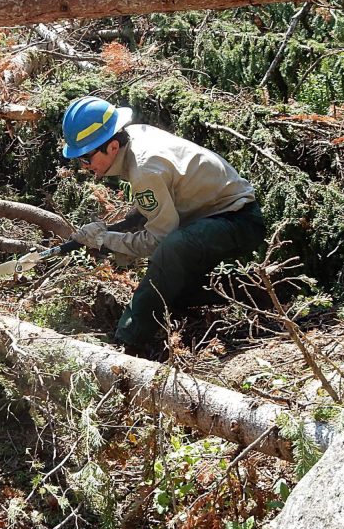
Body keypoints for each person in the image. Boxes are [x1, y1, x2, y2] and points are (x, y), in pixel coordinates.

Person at [61, 96, 265, 360]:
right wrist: (114, 229)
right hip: (210, 217)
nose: (84, 167)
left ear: (112, 147)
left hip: (238, 221)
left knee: (172, 250)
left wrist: (105, 239)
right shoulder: (132, 137)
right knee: (172, 290)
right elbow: (156, 207)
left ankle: (128, 342)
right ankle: (251, 290)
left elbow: (160, 239)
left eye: (86, 158)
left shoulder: (144, 169)